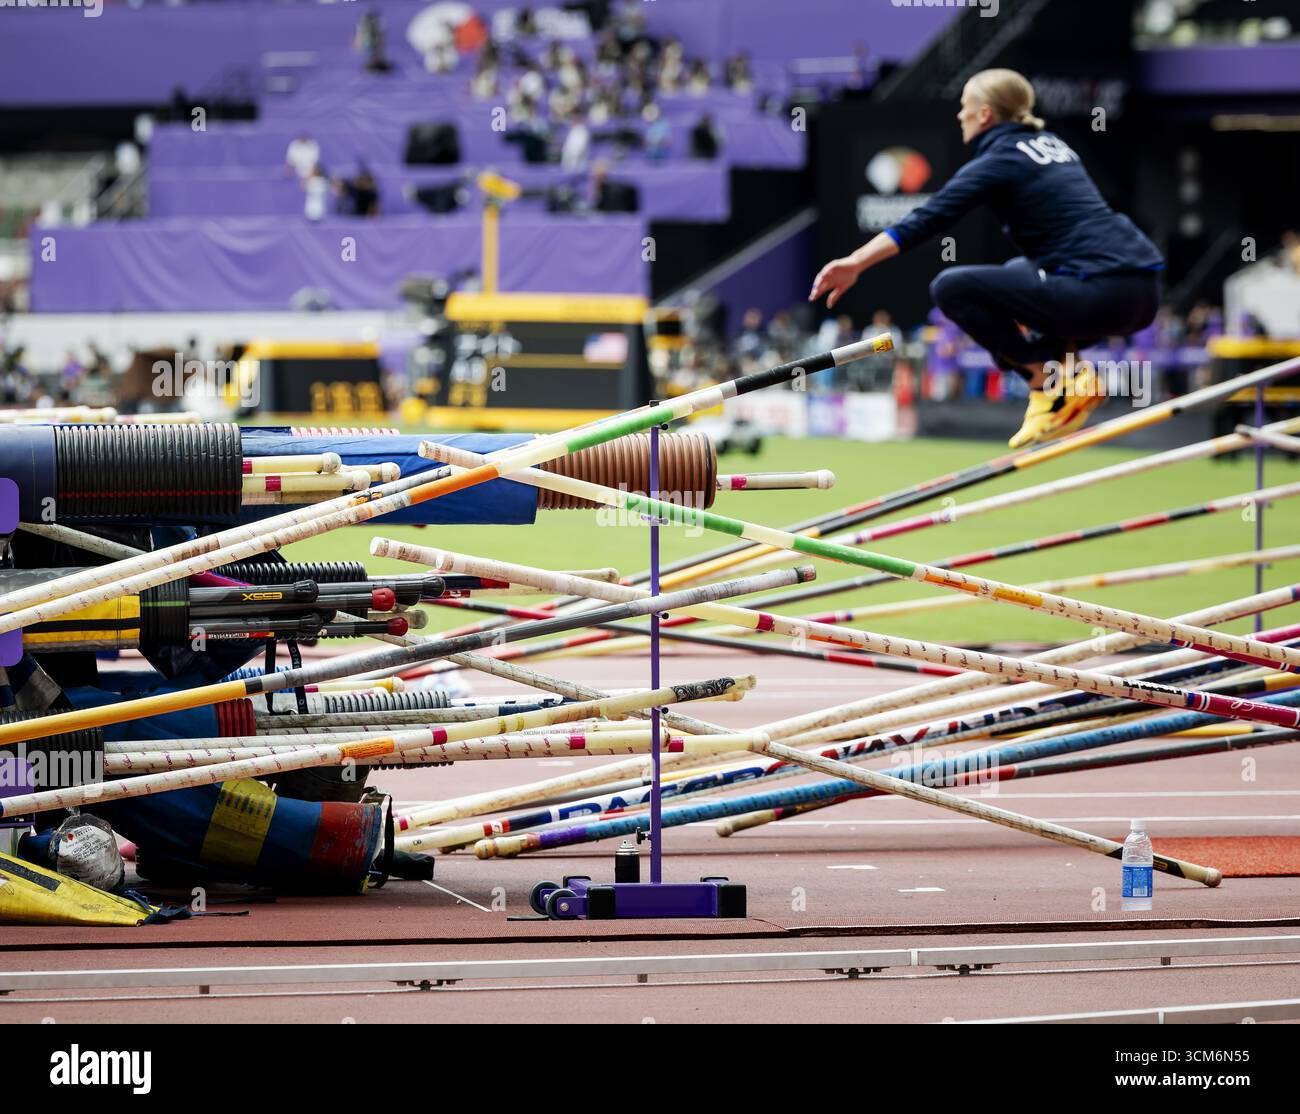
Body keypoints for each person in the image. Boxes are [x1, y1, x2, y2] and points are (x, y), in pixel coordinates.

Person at [810, 68, 1164, 448]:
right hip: (1142, 295)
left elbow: (929, 218)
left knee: (952, 288)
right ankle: (1070, 380)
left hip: (1093, 293)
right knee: (1018, 271)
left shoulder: (1000, 159)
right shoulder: (1052, 145)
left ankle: (1045, 382)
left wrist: (856, 262)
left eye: (965, 107)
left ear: (984, 115)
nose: (959, 115)